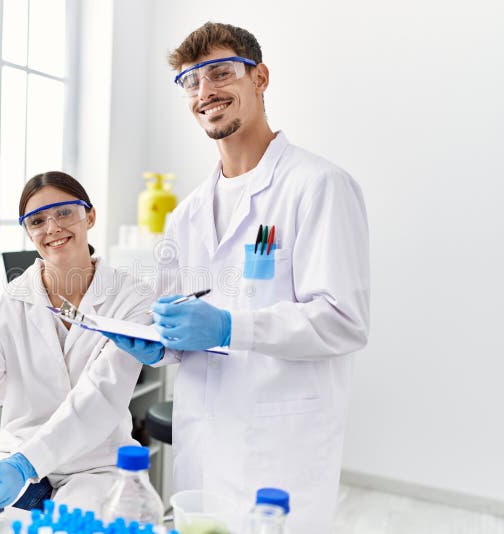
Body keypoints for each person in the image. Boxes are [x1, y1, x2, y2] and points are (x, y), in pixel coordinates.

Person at [105, 22, 370, 534]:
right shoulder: (186, 215)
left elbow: (344, 321)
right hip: (202, 444)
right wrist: (157, 346)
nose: (205, 91)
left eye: (220, 73)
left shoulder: (319, 187)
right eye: (190, 81)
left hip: (279, 448)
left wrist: (230, 327)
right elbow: (182, 329)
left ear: (260, 77)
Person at [0, 171, 153, 513]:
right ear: (28, 231)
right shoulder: (7, 302)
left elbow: (101, 396)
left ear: (90, 216)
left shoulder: (132, 298)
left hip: (94, 465)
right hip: (15, 463)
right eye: (37, 221)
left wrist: (27, 463)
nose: (52, 228)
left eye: (64, 212)